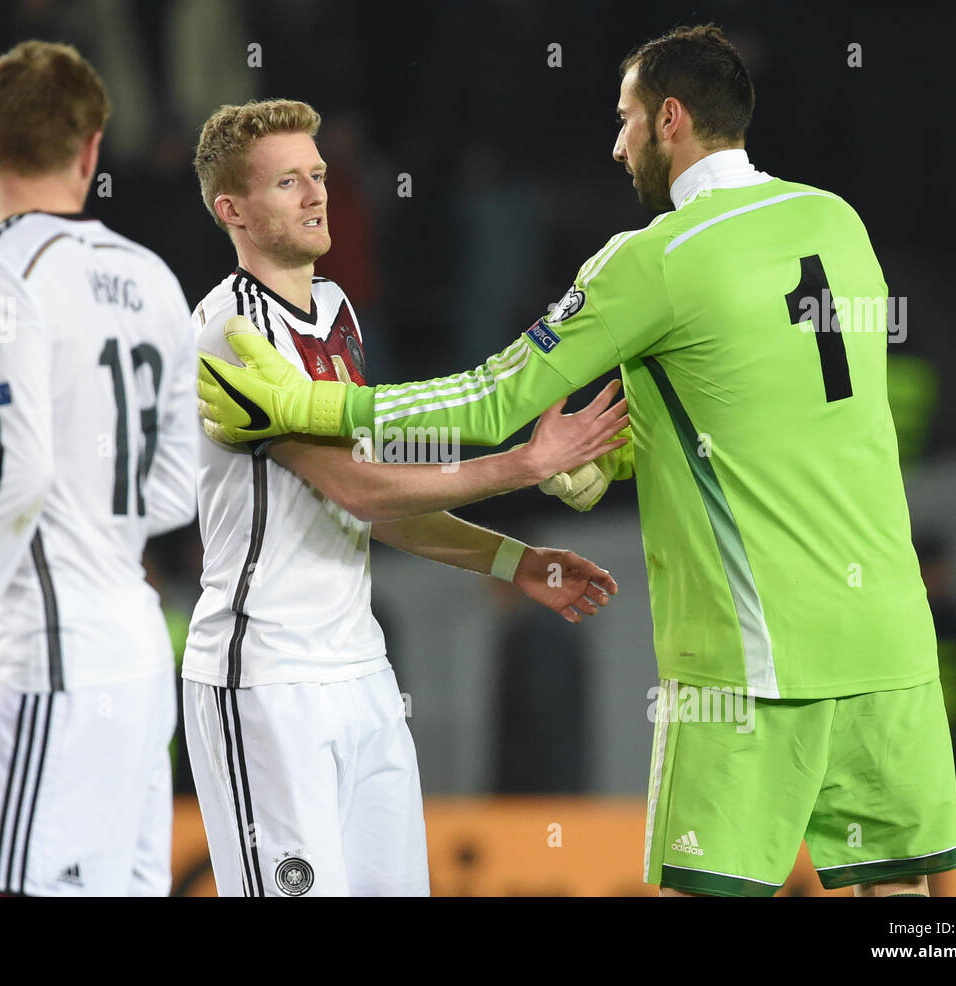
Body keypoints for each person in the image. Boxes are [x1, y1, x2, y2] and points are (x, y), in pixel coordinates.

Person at [197, 27, 956, 898]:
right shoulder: (837, 219)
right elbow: (794, 397)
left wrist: (309, 406)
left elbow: (491, 401)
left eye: (626, 119)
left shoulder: (655, 257)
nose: (615, 143)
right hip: (892, 638)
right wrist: (636, 450)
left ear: (670, 119)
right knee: (906, 910)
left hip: (755, 659)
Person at [186, 98, 628, 897]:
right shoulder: (229, 328)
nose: (318, 194)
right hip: (266, 681)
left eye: (318, 175)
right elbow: (355, 487)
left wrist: (511, 562)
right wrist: (525, 464)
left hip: (360, 670)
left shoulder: (338, 312)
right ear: (233, 210)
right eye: (288, 182)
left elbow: (381, 504)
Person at [0, 41, 200, 897]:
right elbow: (177, 485)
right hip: (139, 665)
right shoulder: (155, 280)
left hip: (48, 660)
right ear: (92, 150)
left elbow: (13, 476)